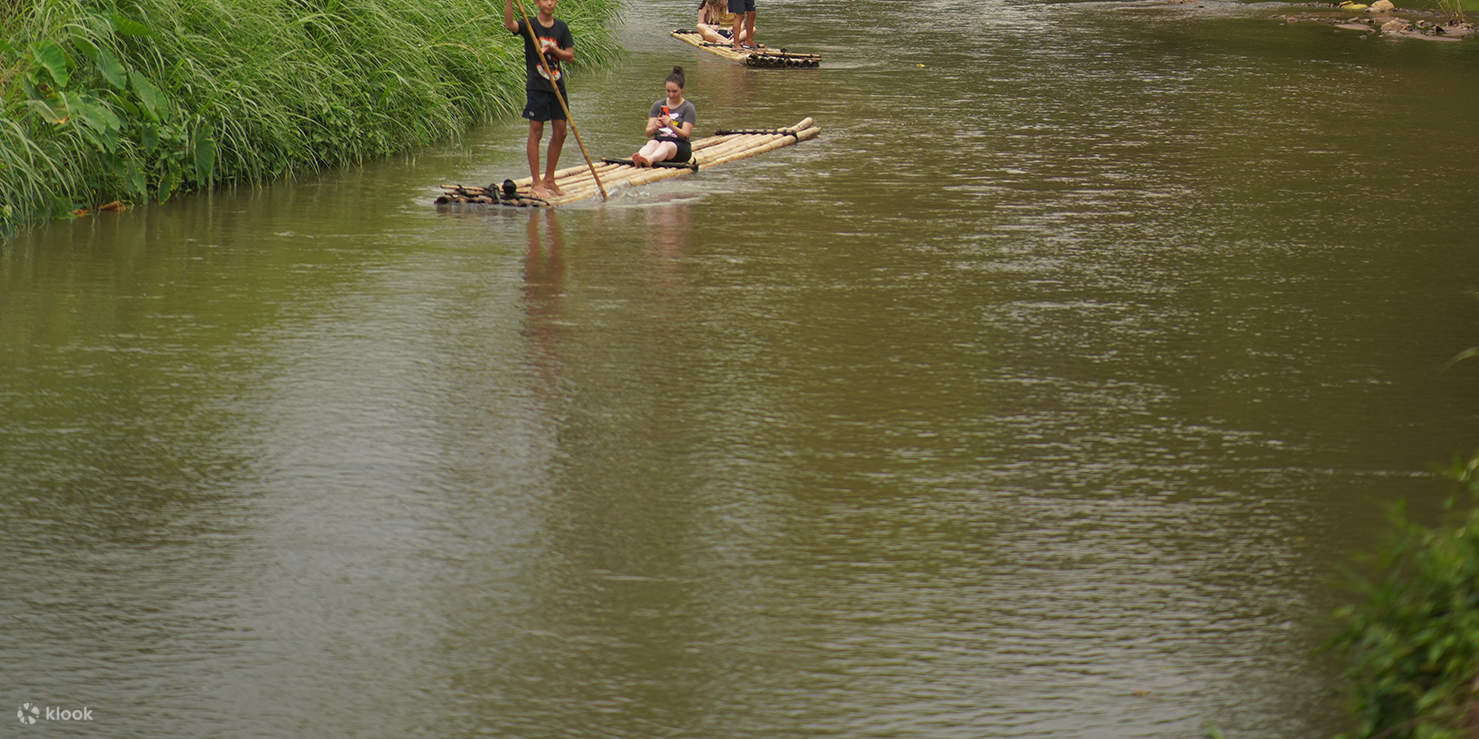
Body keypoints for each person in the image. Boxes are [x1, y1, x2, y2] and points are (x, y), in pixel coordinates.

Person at [504, 0, 574, 198]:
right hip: (537, 86)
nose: (550, 2)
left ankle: (549, 179)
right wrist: (509, 2)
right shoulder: (530, 25)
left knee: (561, 132)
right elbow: (510, 25)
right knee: (536, 131)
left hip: (557, 85)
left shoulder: (561, 27)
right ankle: (536, 183)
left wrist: (552, 51)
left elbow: (569, 56)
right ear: (536, 2)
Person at [631, 67, 696, 168]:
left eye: (674, 91)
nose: (671, 95)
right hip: (659, 140)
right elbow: (648, 133)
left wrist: (671, 126)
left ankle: (650, 159)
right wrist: (655, 126)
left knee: (666, 144)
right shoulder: (658, 105)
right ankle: (640, 157)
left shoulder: (688, 108)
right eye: (668, 91)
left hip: (679, 145)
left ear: (682, 89)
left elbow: (685, 135)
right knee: (652, 143)